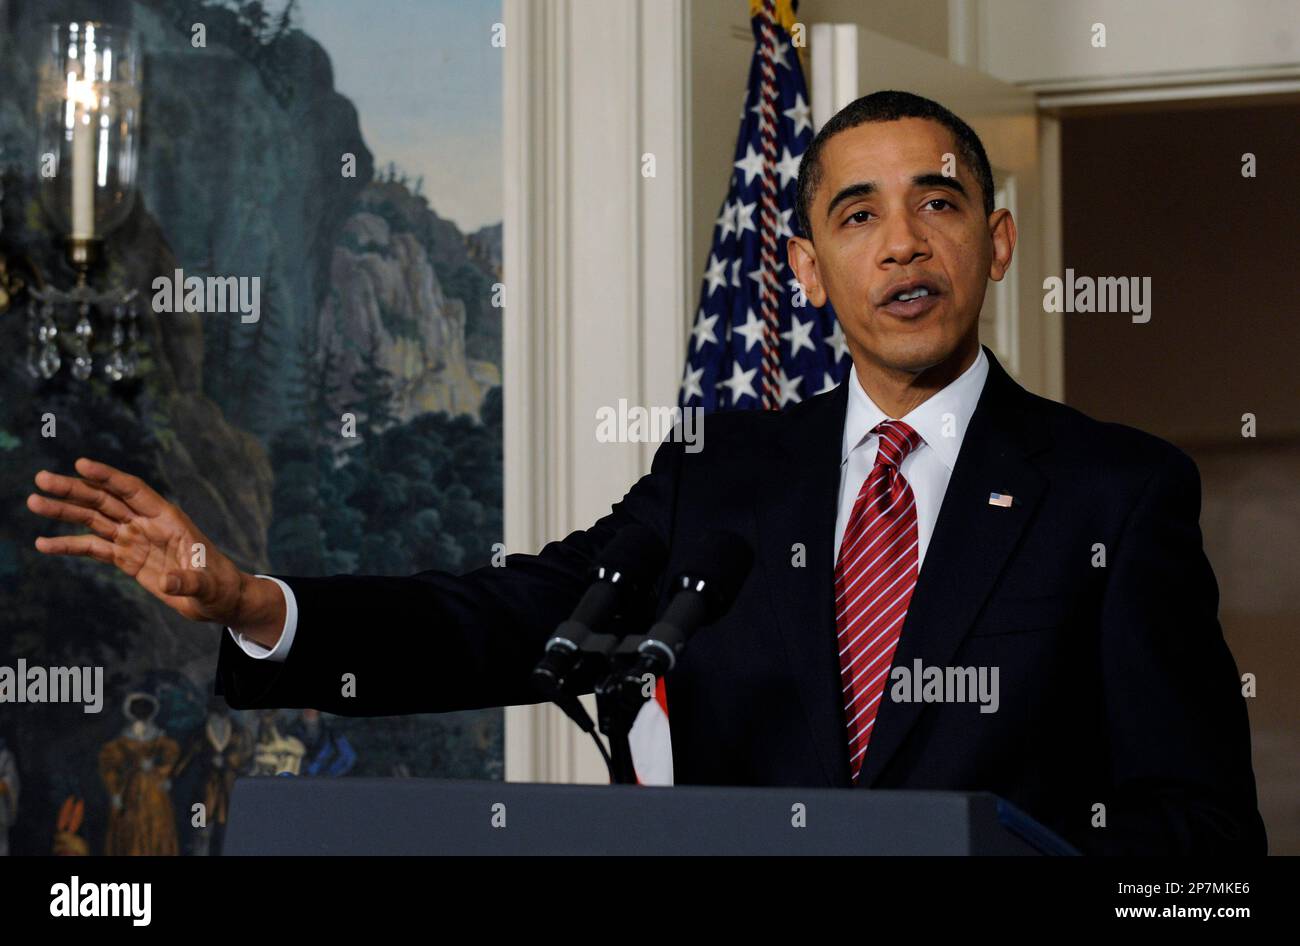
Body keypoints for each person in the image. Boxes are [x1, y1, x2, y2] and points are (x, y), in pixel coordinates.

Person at [26, 91, 1266, 855]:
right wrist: (258, 605)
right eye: (856, 215)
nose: (902, 243)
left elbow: (1198, 836)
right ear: (802, 268)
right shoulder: (724, 481)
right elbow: (504, 622)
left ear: (994, 242)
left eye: (937, 205)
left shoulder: (1116, 493)